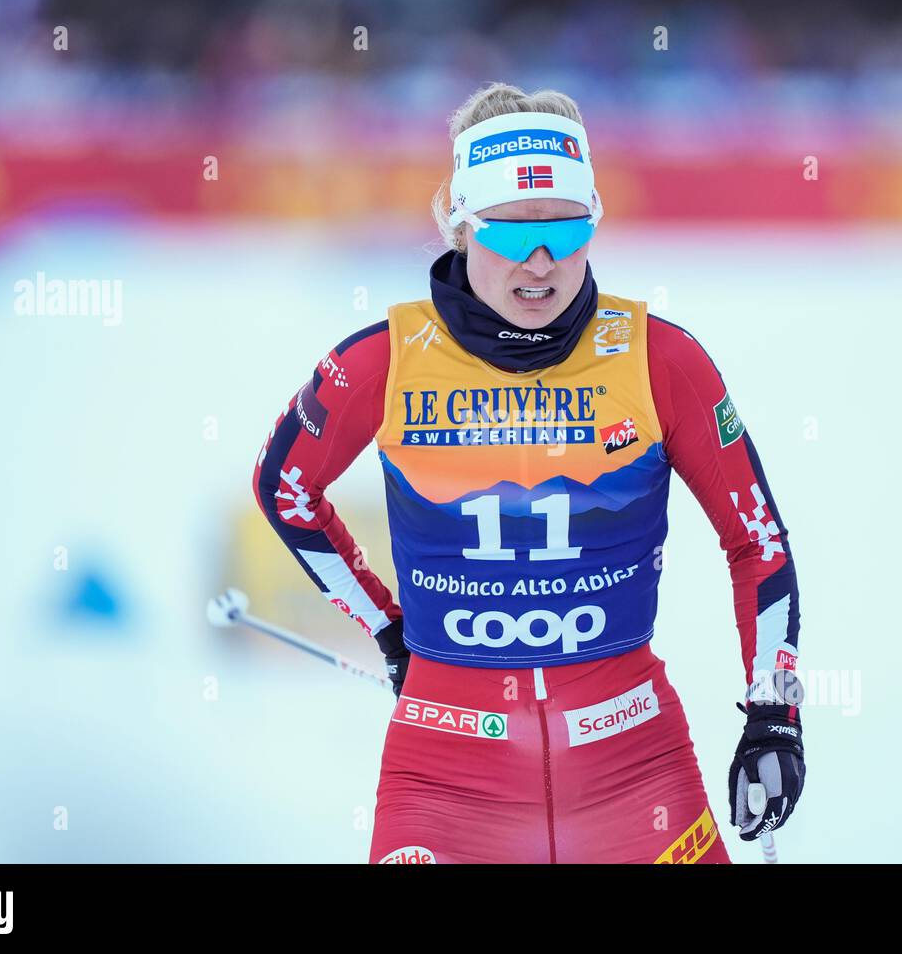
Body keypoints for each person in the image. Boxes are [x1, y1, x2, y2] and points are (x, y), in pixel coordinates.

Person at [254, 83, 804, 864]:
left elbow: (757, 542)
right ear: (462, 227)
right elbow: (285, 490)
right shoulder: (382, 360)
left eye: (567, 230)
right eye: (512, 235)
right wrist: (384, 623)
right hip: (444, 781)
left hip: (635, 769)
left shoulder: (659, 358)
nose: (541, 264)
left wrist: (773, 714)